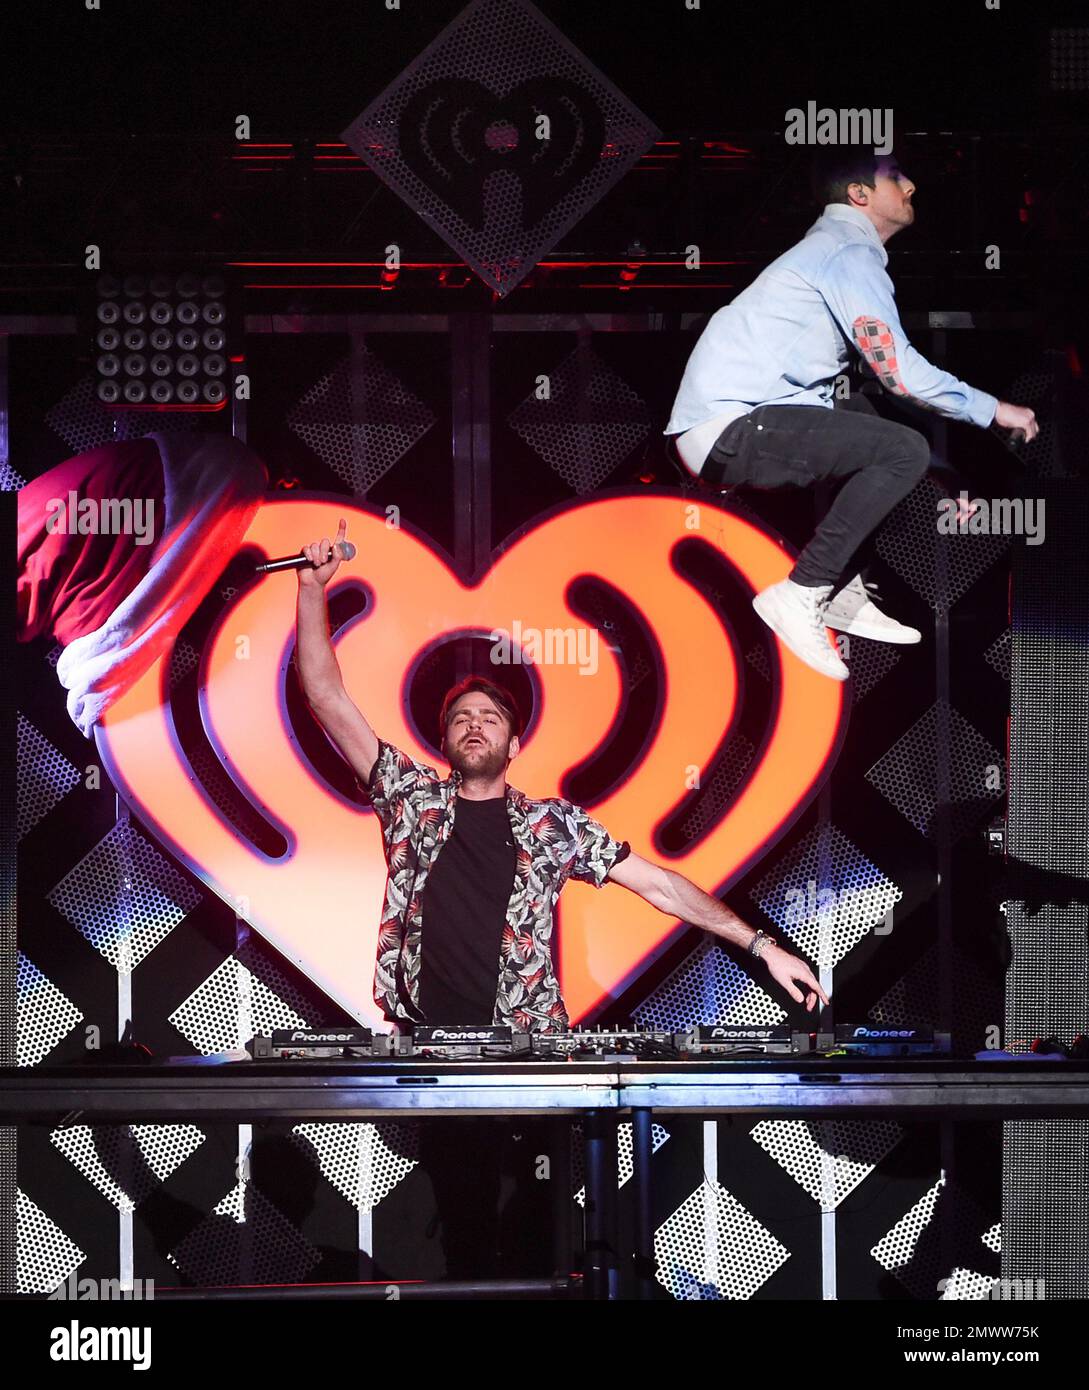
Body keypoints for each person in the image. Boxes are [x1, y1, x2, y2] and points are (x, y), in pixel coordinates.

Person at [294, 518, 830, 1277]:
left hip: (530, 1058)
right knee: (467, 1246)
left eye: (490, 718)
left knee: (546, 1242)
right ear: (443, 741)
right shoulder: (409, 798)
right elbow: (324, 694)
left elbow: (658, 884)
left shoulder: (550, 825)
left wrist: (760, 945)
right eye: (459, 719)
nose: (473, 725)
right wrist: (312, 589)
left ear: (515, 745)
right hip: (437, 1059)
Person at [665, 148, 1040, 681]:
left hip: (742, 424)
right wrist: (993, 409)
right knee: (899, 448)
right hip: (729, 429)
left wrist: (947, 479)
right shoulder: (845, 254)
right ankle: (802, 592)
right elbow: (900, 373)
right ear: (859, 195)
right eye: (896, 178)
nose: (911, 186)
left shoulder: (835, 250)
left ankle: (842, 588)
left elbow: (880, 398)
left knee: (878, 425)